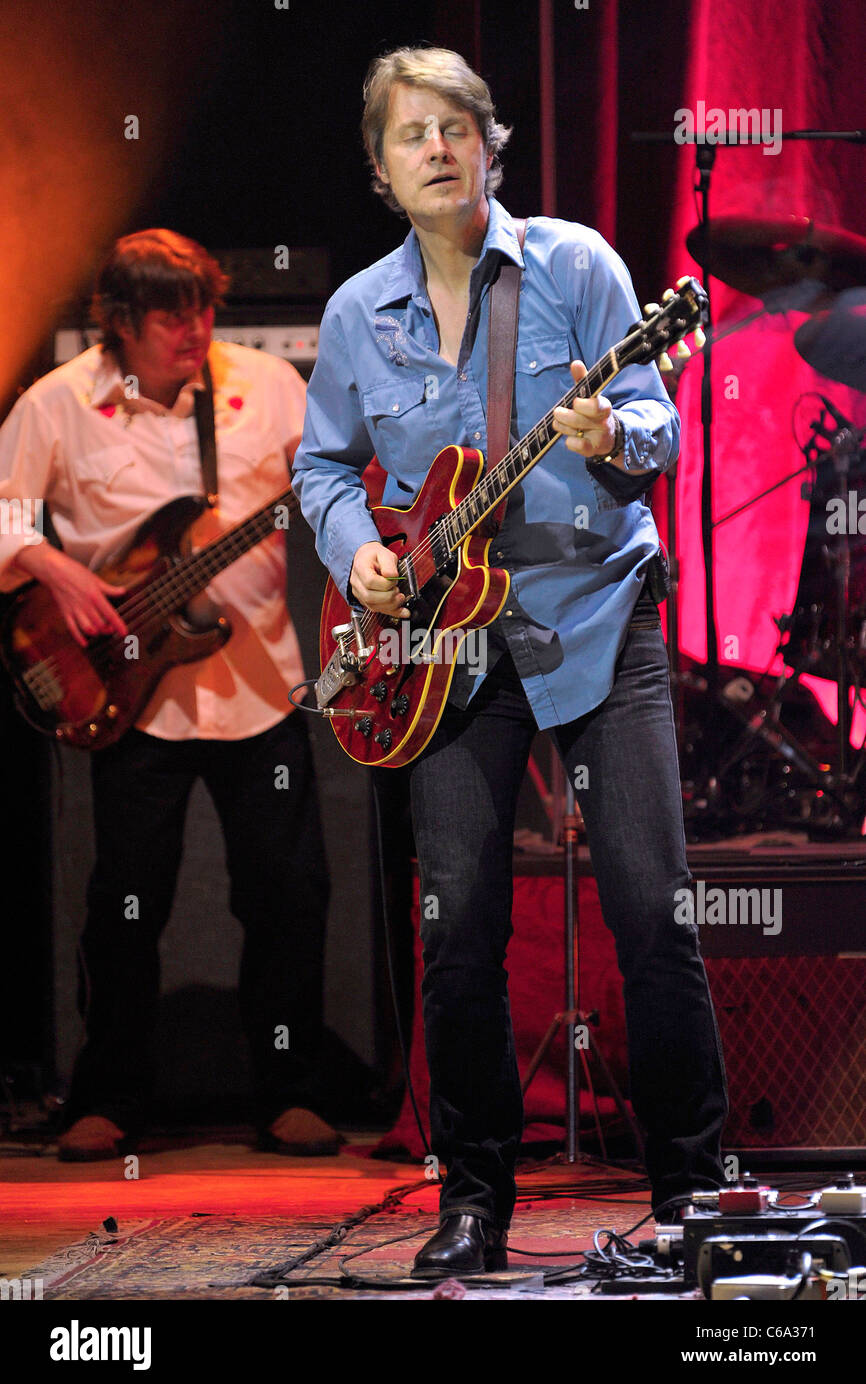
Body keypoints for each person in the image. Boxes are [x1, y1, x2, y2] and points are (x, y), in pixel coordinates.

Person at [292, 47, 728, 1276]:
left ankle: (692, 1188)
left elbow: (656, 414)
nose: (436, 149)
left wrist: (611, 432)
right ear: (381, 170)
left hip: (594, 619)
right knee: (459, 928)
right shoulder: (354, 314)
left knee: (653, 911)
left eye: (456, 128)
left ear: (492, 146)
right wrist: (358, 555)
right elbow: (322, 469)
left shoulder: (578, 265)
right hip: (443, 649)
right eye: (409, 134)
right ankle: (472, 1201)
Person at [0, 229, 336, 1159]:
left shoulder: (266, 387)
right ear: (120, 322)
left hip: (259, 681)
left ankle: (290, 1090)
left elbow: (339, 480)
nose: (193, 331)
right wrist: (50, 568)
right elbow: (3, 508)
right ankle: (107, 1098)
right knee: (126, 903)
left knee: (287, 894)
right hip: (132, 689)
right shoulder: (57, 404)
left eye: (202, 308)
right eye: (167, 316)